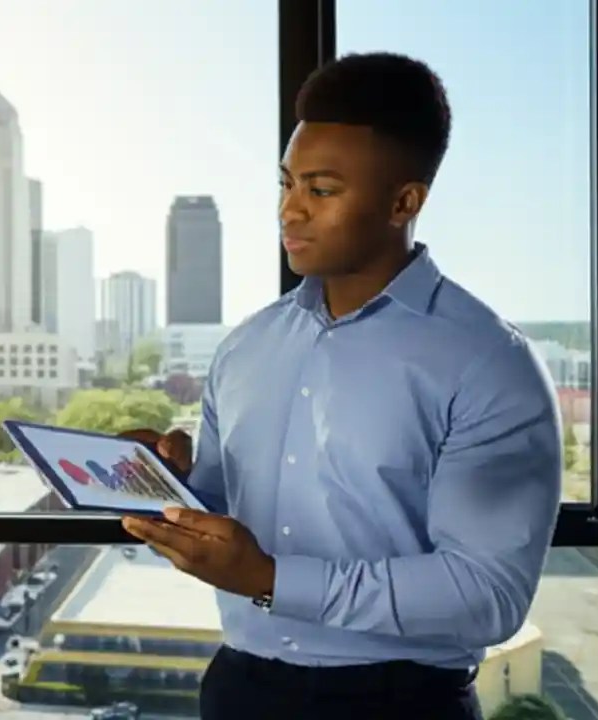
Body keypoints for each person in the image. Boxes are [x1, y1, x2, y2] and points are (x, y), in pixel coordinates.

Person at [120, 52, 562, 720]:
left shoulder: (487, 362)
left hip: (401, 705)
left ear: (403, 201)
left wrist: (270, 580)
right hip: (238, 692)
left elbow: (486, 592)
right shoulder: (246, 347)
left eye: (321, 191)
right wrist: (162, 486)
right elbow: (223, 523)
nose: (289, 212)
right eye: (286, 184)